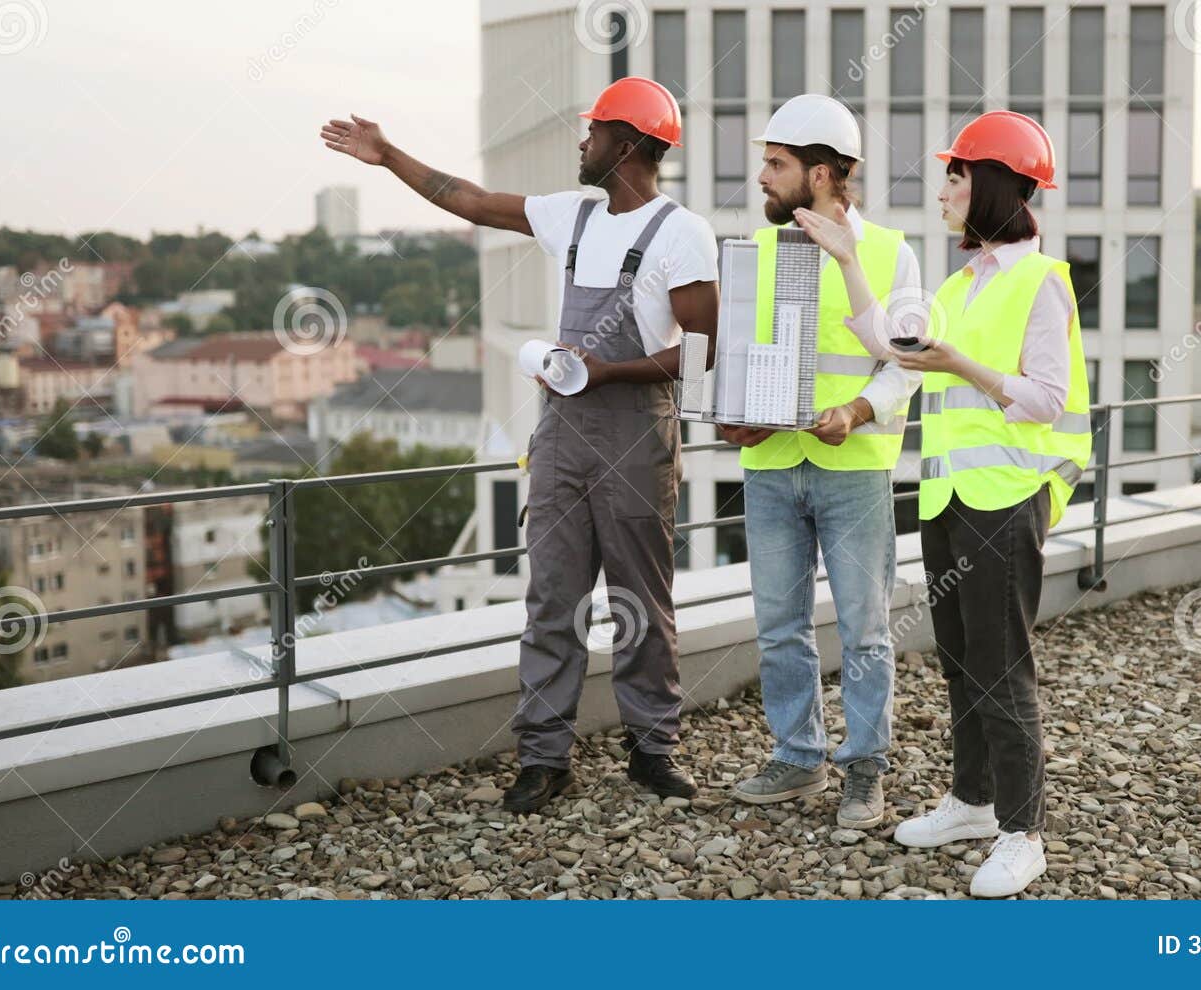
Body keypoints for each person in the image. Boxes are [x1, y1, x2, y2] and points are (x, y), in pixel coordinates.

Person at [320, 77, 719, 814]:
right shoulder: (571, 215)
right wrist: (386, 156)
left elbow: (701, 354)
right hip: (563, 431)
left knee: (641, 596)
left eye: (593, 131)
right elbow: (467, 200)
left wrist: (606, 369)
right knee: (551, 598)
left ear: (625, 145)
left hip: (638, 430)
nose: (582, 141)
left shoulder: (681, 233)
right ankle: (544, 759)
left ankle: (654, 750)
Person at [793, 110, 1091, 895]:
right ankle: (972, 802)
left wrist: (961, 363)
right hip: (951, 497)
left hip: (1007, 496)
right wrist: (851, 259)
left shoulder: (1041, 280)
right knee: (962, 661)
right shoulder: (961, 282)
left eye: (956, 176)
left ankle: (1024, 832)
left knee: (1003, 667)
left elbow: (1047, 401)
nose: (945, 190)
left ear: (992, 183)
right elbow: (892, 347)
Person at [722, 94, 922, 830]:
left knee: (866, 630)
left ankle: (863, 770)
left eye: (776, 164)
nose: (763, 178)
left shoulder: (891, 252)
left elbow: (908, 368)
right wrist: (734, 415)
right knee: (778, 625)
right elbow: (743, 358)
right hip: (771, 467)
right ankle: (798, 758)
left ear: (824, 174)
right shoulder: (759, 246)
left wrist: (857, 412)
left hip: (854, 471)